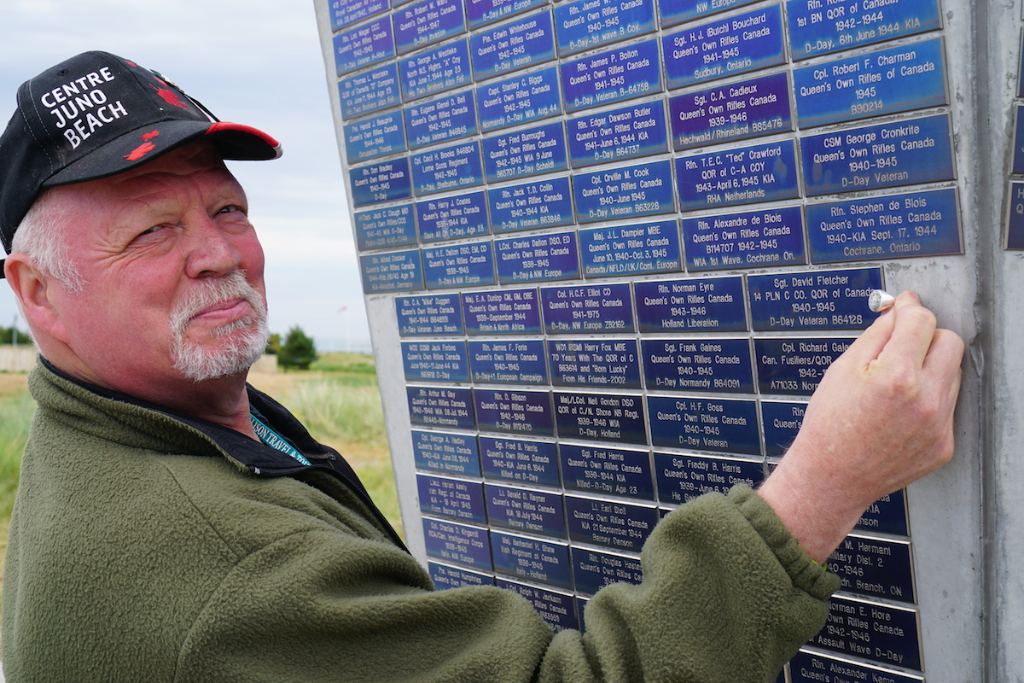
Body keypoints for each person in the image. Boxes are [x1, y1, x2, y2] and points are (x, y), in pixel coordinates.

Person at [0, 51, 963, 683]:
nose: (217, 253)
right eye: (152, 230)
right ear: (36, 293)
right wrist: (832, 477)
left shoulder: (120, 424)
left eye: (228, 210)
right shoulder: (225, 565)